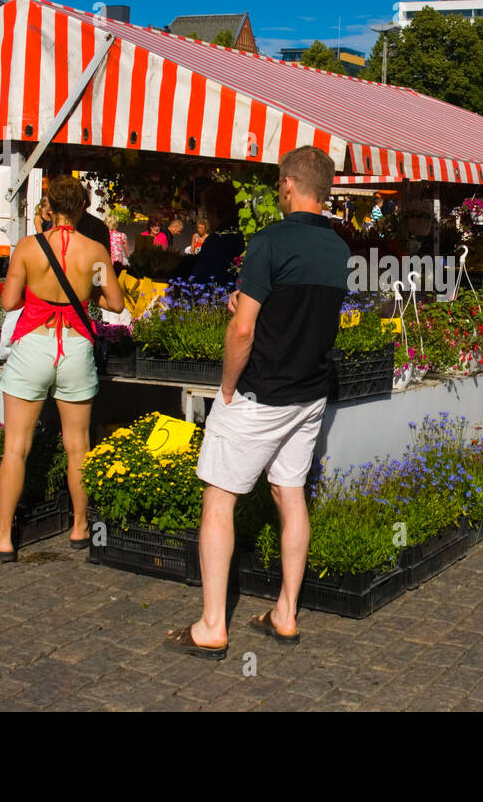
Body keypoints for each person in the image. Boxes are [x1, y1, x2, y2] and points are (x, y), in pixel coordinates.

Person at [166, 146, 349, 658]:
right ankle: (286, 614)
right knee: (290, 494)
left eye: (278, 184)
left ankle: (211, 626)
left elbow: (243, 330)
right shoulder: (338, 248)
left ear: (290, 183)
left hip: (259, 392)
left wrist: (227, 386)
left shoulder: (269, 240)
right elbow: (296, 314)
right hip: (309, 393)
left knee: (219, 499)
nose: (278, 190)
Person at [0, 175, 125, 562]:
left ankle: (3, 536)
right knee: (78, 446)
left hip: (34, 346)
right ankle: (78, 527)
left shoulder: (27, 248)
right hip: (75, 347)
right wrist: (86, 290)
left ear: (48, 207)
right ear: (81, 209)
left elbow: (9, 302)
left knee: (16, 448)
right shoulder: (94, 250)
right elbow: (115, 303)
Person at [187, 183, 245, 284]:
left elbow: (199, 279)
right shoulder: (246, 235)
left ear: (214, 210)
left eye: (206, 212)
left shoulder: (217, 240)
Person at [105, 212, 129, 276]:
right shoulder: (122, 235)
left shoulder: (103, 235)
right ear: (116, 224)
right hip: (118, 264)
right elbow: (127, 253)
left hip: (106, 263)